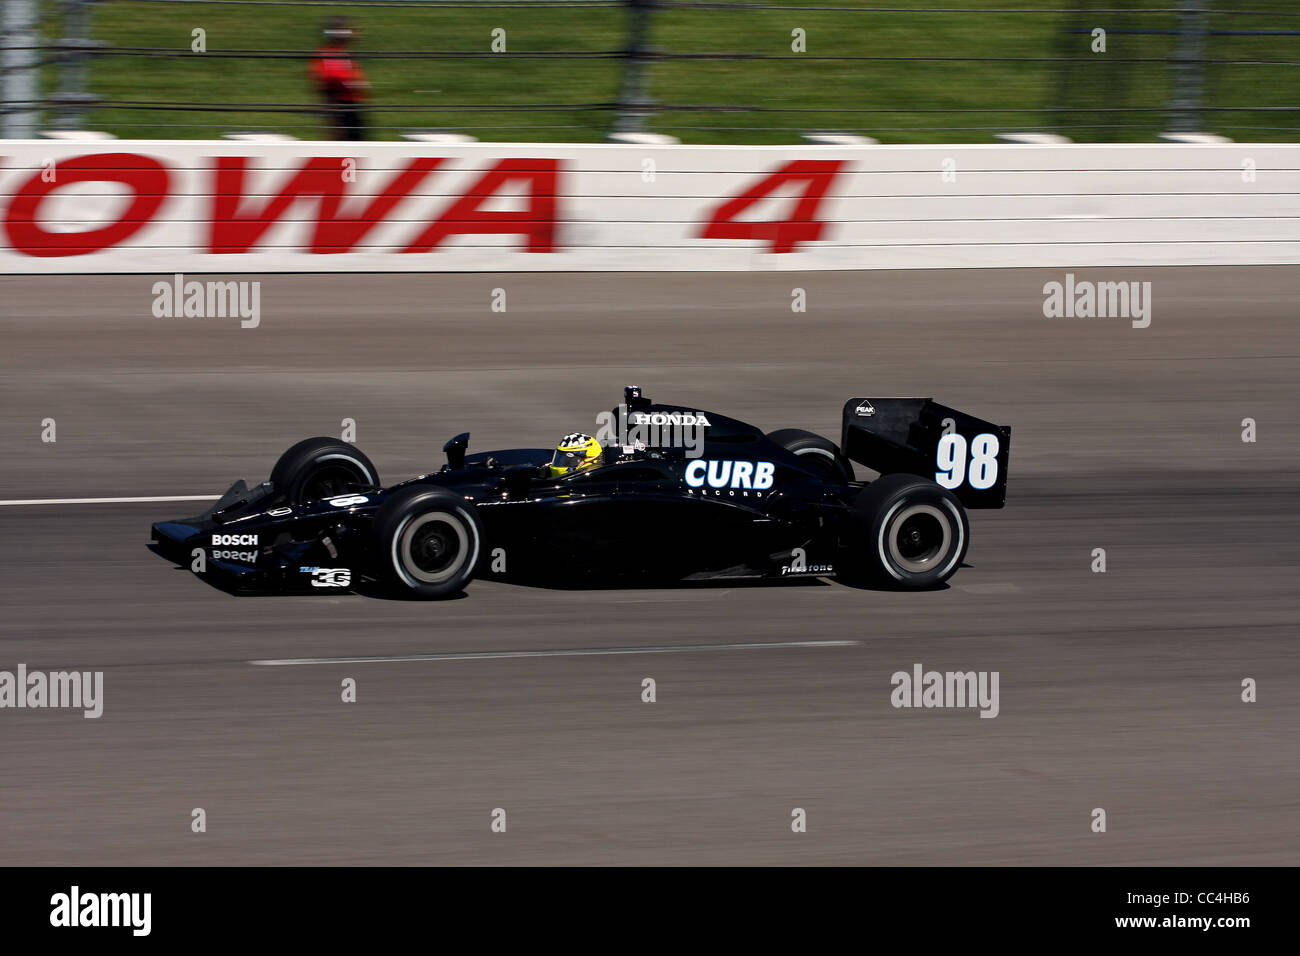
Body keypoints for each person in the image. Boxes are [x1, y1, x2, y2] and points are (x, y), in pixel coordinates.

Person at [310, 17, 369, 141]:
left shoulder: (344, 53)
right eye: (348, 31)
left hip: (352, 104)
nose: (352, 35)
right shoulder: (327, 53)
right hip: (341, 104)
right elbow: (329, 76)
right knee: (345, 141)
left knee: (357, 141)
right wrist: (352, 83)